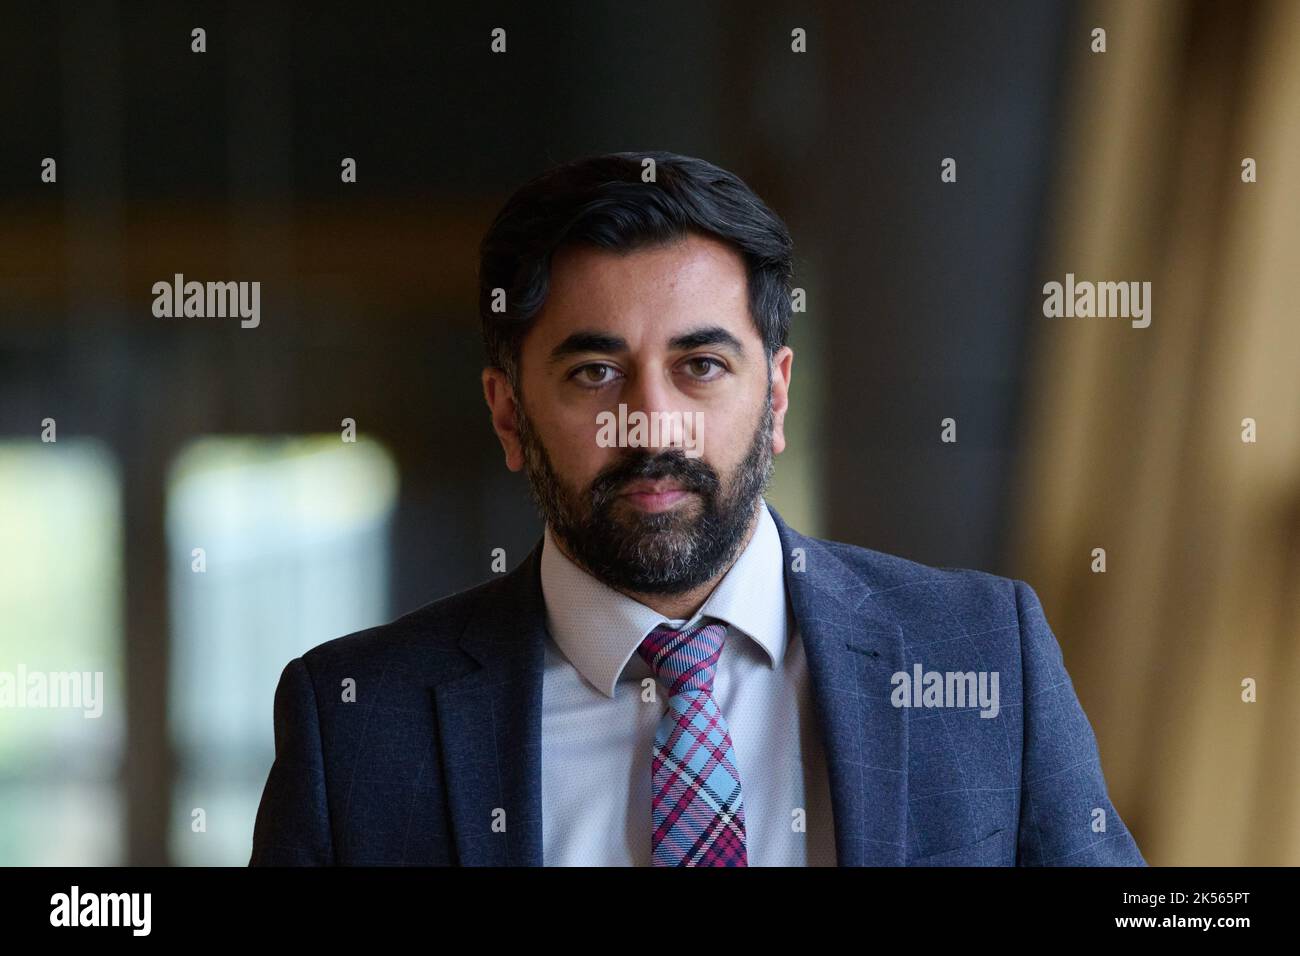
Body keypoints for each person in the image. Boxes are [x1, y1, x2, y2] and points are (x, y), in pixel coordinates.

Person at [249, 151, 1145, 866]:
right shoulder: (359, 721)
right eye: (594, 373)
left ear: (778, 396)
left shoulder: (986, 654)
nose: (655, 424)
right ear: (509, 414)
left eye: (702, 366)